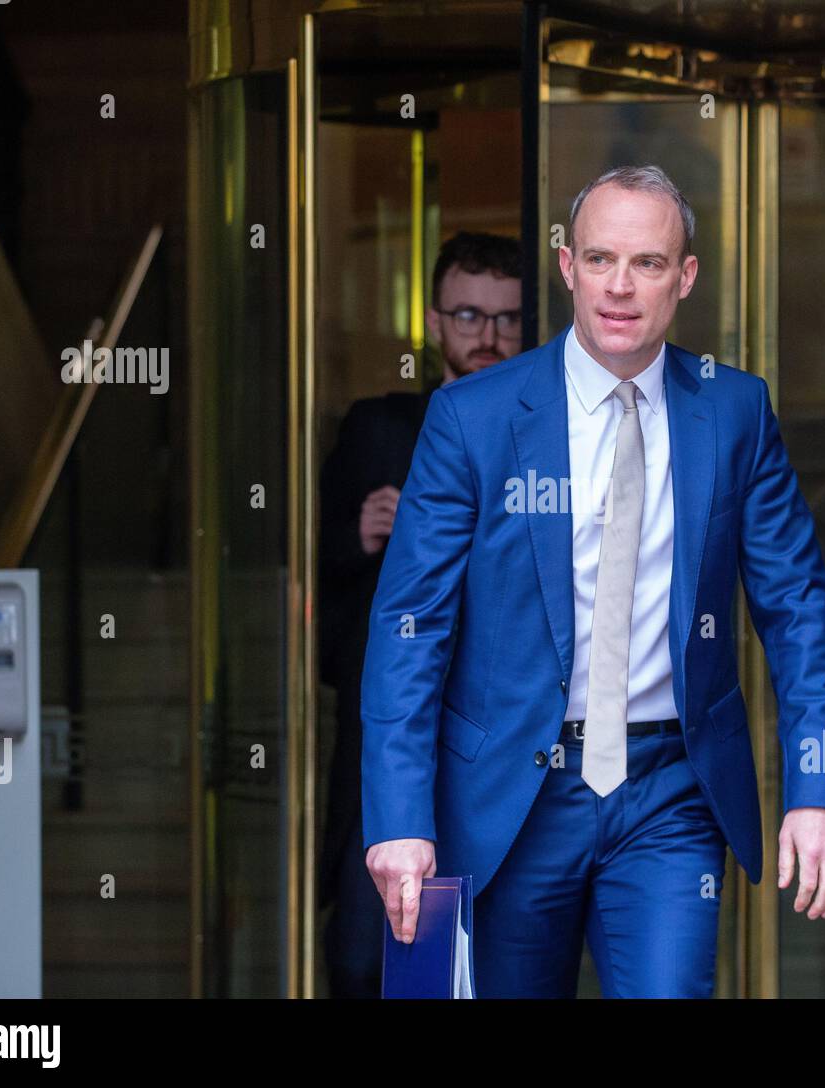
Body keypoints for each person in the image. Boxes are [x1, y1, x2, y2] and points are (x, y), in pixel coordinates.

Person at [362, 165, 825, 999]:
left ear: (686, 277)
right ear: (566, 267)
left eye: (648, 263)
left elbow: (797, 606)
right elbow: (410, 625)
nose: (620, 287)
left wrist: (821, 788)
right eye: (599, 260)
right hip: (508, 798)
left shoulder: (735, 412)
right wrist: (401, 820)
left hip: (669, 793)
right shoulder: (473, 419)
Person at [317, 230, 523, 998]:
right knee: (365, 951)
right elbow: (306, 571)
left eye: (506, 318)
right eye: (469, 315)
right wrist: (359, 534)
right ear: (434, 322)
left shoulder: (548, 428)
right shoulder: (379, 427)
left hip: (510, 731)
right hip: (392, 728)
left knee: (503, 952)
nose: (488, 336)